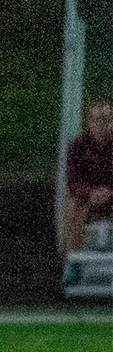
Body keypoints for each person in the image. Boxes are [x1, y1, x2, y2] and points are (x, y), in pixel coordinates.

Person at [65, 100, 113, 251]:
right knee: (73, 206)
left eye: (105, 119)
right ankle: (74, 260)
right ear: (89, 122)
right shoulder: (77, 146)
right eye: (96, 119)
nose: (101, 124)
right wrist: (91, 193)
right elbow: (73, 182)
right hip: (88, 199)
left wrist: (109, 193)